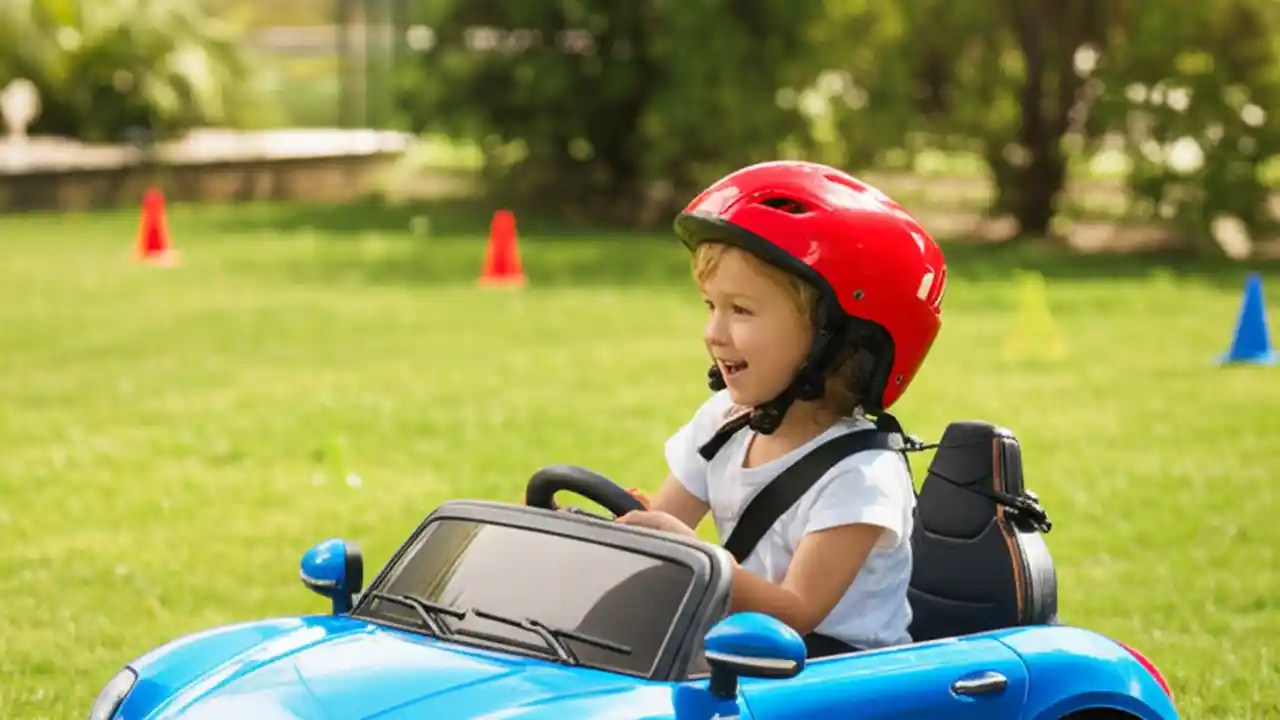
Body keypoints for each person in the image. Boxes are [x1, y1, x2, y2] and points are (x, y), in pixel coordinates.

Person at [616, 160, 947, 657]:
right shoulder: (722, 423)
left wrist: (691, 552)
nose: (714, 332)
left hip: (837, 682)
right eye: (711, 306)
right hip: (749, 663)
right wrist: (607, 535)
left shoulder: (862, 474)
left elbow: (796, 612)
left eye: (741, 310)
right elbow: (663, 523)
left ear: (835, 342)